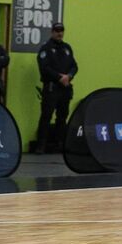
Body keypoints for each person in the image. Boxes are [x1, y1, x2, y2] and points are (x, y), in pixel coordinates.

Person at [36, 23, 76, 154]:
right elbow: (44, 68)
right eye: (57, 31)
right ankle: (41, 144)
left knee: (62, 117)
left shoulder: (67, 48)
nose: (60, 33)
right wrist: (60, 77)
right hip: (52, 88)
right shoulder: (45, 49)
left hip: (65, 88)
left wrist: (69, 76)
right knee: (46, 116)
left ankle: (60, 144)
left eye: (62, 30)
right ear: (52, 32)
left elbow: (74, 66)